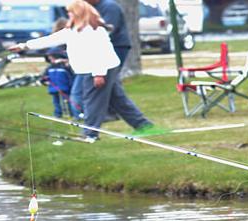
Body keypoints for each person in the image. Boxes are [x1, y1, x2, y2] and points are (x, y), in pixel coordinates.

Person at [14, 0, 159, 141]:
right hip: (96, 69)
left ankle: (90, 134)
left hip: (100, 69)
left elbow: (100, 52)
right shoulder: (72, 30)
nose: (69, 16)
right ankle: (144, 126)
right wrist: (23, 46)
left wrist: (98, 74)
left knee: (93, 101)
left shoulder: (94, 31)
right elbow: (50, 40)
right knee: (118, 100)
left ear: (79, 14)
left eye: (71, 13)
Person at [43, 48, 76, 118]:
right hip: (54, 88)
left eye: (51, 57)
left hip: (65, 88)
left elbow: (71, 76)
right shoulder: (49, 68)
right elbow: (44, 77)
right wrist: (45, 81)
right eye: (49, 58)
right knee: (56, 102)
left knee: (67, 101)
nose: (50, 59)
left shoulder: (65, 67)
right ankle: (58, 114)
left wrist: (71, 85)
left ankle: (71, 113)